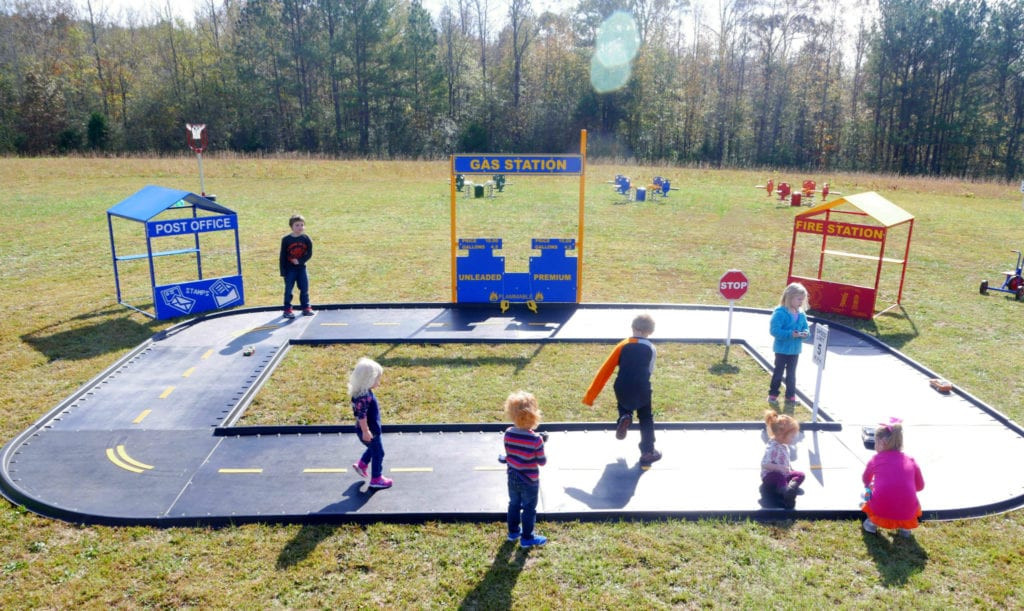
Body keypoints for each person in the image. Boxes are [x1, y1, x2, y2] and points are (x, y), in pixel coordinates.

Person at [582, 313, 662, 469]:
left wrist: (590, 397)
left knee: (624, 405)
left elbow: (606, 369)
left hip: (622, 385)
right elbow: (650, 370)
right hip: (642, 386)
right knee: (646, 417)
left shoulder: (622, 345)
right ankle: (648, 451)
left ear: (632, 328)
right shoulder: (651, 348)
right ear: (650, 332)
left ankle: (625, 417)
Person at [862, 418, 925, 536]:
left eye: (875, 442)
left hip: (880, 510)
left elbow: (866, 479)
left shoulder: (875, 460)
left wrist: (870, 485)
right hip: (907, 513)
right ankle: (905, 529)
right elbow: (920, 486)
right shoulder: (911, 460)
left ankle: (871, 524)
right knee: (912, 500)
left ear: (882, 442)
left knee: (866, 492)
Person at [503, 390, 548, 548]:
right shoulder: (536, 439)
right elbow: (542, 461)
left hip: (512, 477)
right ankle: (527, 538)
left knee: (514, 504)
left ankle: (513, 532)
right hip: (529, 481)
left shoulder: (508, 433)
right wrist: (542, 445)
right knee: (529, 508)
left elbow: (510, 453)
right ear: (534, 415)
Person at [349, 357, 393, 489]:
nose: (379, 382)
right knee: (379, 453)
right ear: (368, 380)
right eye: (377, 379)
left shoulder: (360, 393)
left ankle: (362, 464)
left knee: (373, 448)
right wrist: (366, 431)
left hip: (367, 429)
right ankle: (376, 479)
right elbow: (361, 416)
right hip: (370, 430)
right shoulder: (365, 397)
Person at [768, 282, 810, 410]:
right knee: (778, 372)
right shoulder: (780, 313)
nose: (801, 302)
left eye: (802, 300)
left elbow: (806, 329)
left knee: (792, 374)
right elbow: (774, 331)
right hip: (781, 349)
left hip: (795, 350)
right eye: (798, 299)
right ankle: (773, 394)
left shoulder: (801, 314)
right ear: (789, 297)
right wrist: (790, 334)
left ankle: (790, 395)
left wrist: (805, 334)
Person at [760, 410, 804, 508]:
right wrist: (778, 468)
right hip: (770, 476)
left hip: (783, 474)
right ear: (781, 435)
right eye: (792, 436)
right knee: (779, 477)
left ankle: (791, 486)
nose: (793, 439)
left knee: (800, 474)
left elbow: (785, 461)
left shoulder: (783, 445)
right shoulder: (773, 448)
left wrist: (790, 469)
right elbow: (764, 464)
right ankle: (785, 492)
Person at [279, 214, 314, 319]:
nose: (300, 227)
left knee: (304, 288)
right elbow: (282, 256)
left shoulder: (306, 238)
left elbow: (309, 253)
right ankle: (287, 309)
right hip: (289, 269)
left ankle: (306, 307)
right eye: (297, 225)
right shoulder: (286, 239)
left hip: (301, 268)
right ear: (291, 226)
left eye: (302, 225)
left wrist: (300, 261)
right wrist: (283, 271)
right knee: (288, 290)